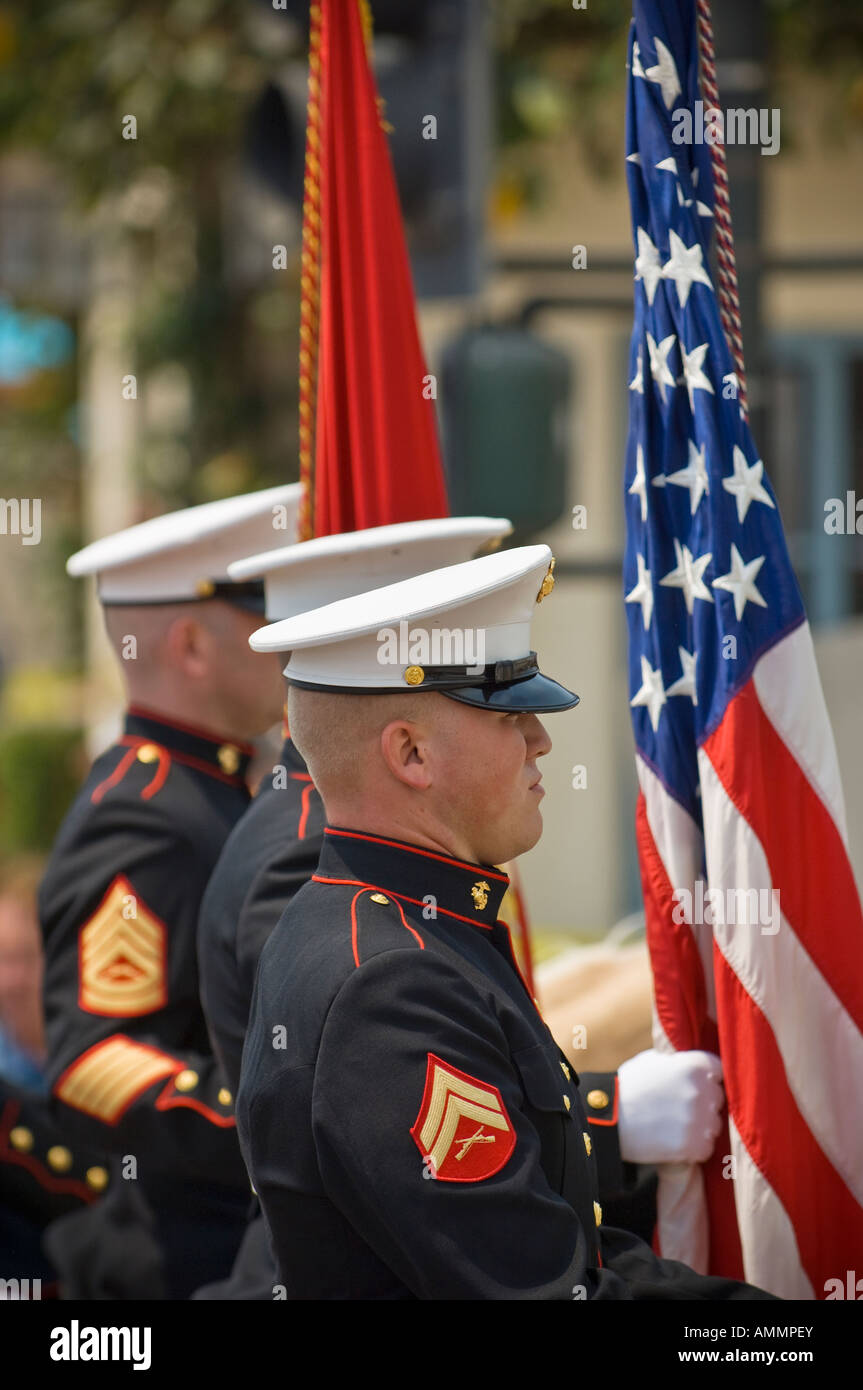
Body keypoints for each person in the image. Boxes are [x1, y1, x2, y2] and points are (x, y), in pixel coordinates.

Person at [236, 543, 773, 1299]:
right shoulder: (389, 983)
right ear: (411, 753)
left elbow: (563, 1241)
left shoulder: (400, 928)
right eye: (510, 714)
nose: (540, 740)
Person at [37, 484, 300, 1299]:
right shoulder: (145, 817)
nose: (288, 641)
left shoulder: (213, 792)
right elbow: (94, 1057)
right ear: (190, 645)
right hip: (186, 1258)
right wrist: (285, 1113)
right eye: (266, 617)